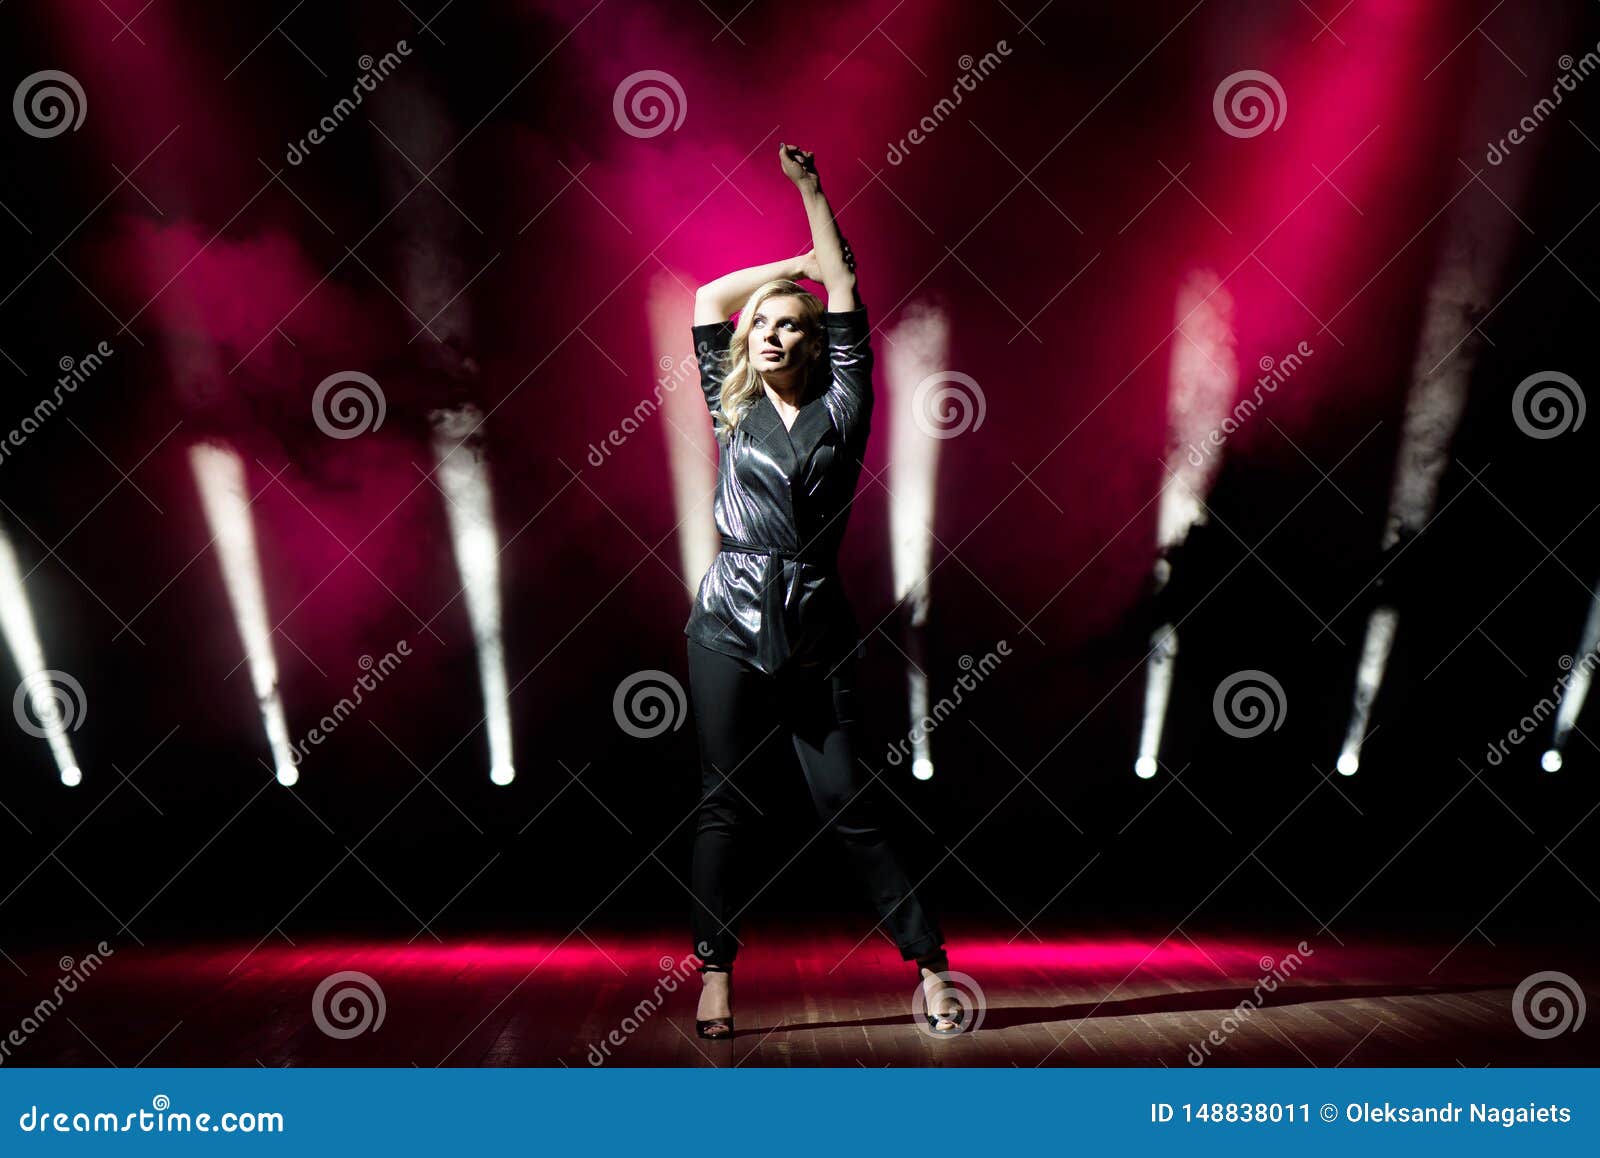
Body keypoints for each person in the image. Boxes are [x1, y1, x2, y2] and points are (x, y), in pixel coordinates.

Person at [683, 142, 963, 1041]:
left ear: (813, 341)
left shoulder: (848, 405)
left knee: (848, 801)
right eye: (762, 323)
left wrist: (811, 196)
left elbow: (843, 290)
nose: (770, 330)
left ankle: (929, 964)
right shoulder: (732, 407)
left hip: (814, 628)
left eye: (790, 323)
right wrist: (787, 270)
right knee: (725, 800)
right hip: (725, 619)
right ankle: (717, 971)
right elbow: (706, 301)